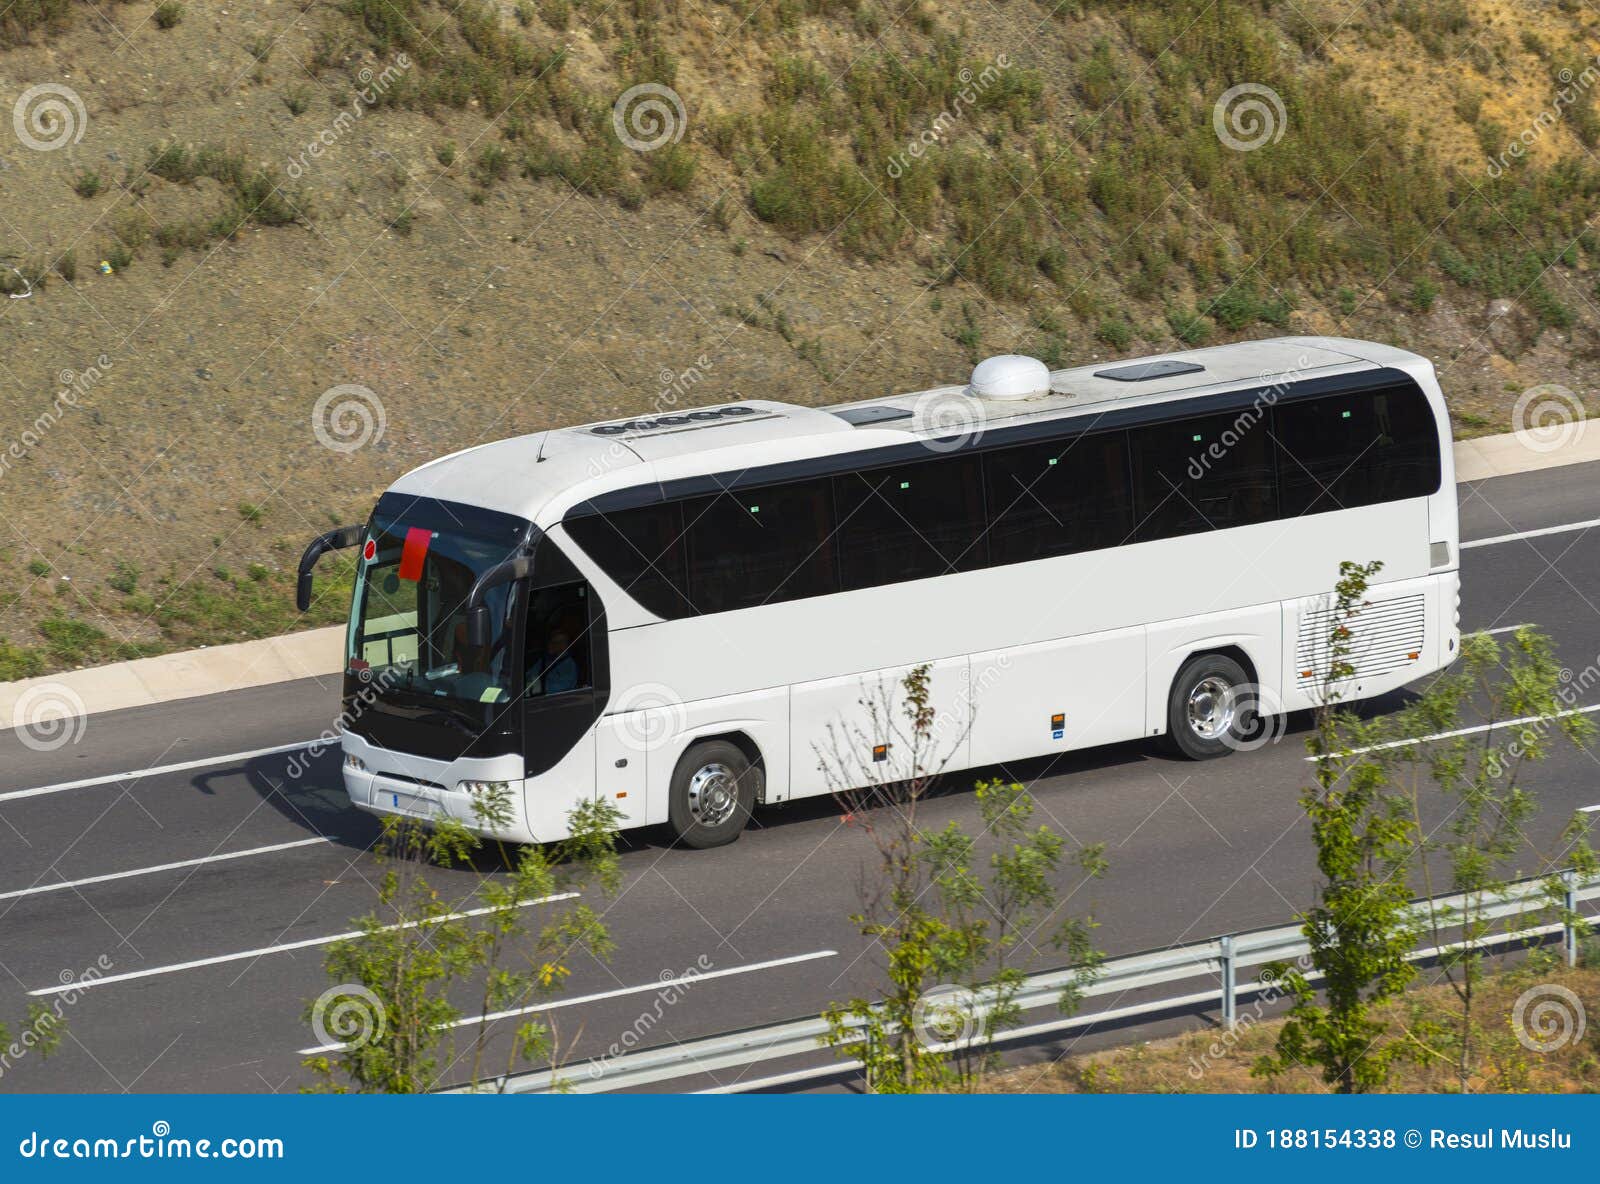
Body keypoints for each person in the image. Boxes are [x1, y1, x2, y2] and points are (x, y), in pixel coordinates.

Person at [527, 628, 579, 695]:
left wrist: (536, 686)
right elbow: (530, 674)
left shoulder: (569, 665)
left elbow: (561, 688)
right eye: (550, 641)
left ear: (564, 645)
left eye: (555, 643)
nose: (550, 645)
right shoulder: (544, 659)